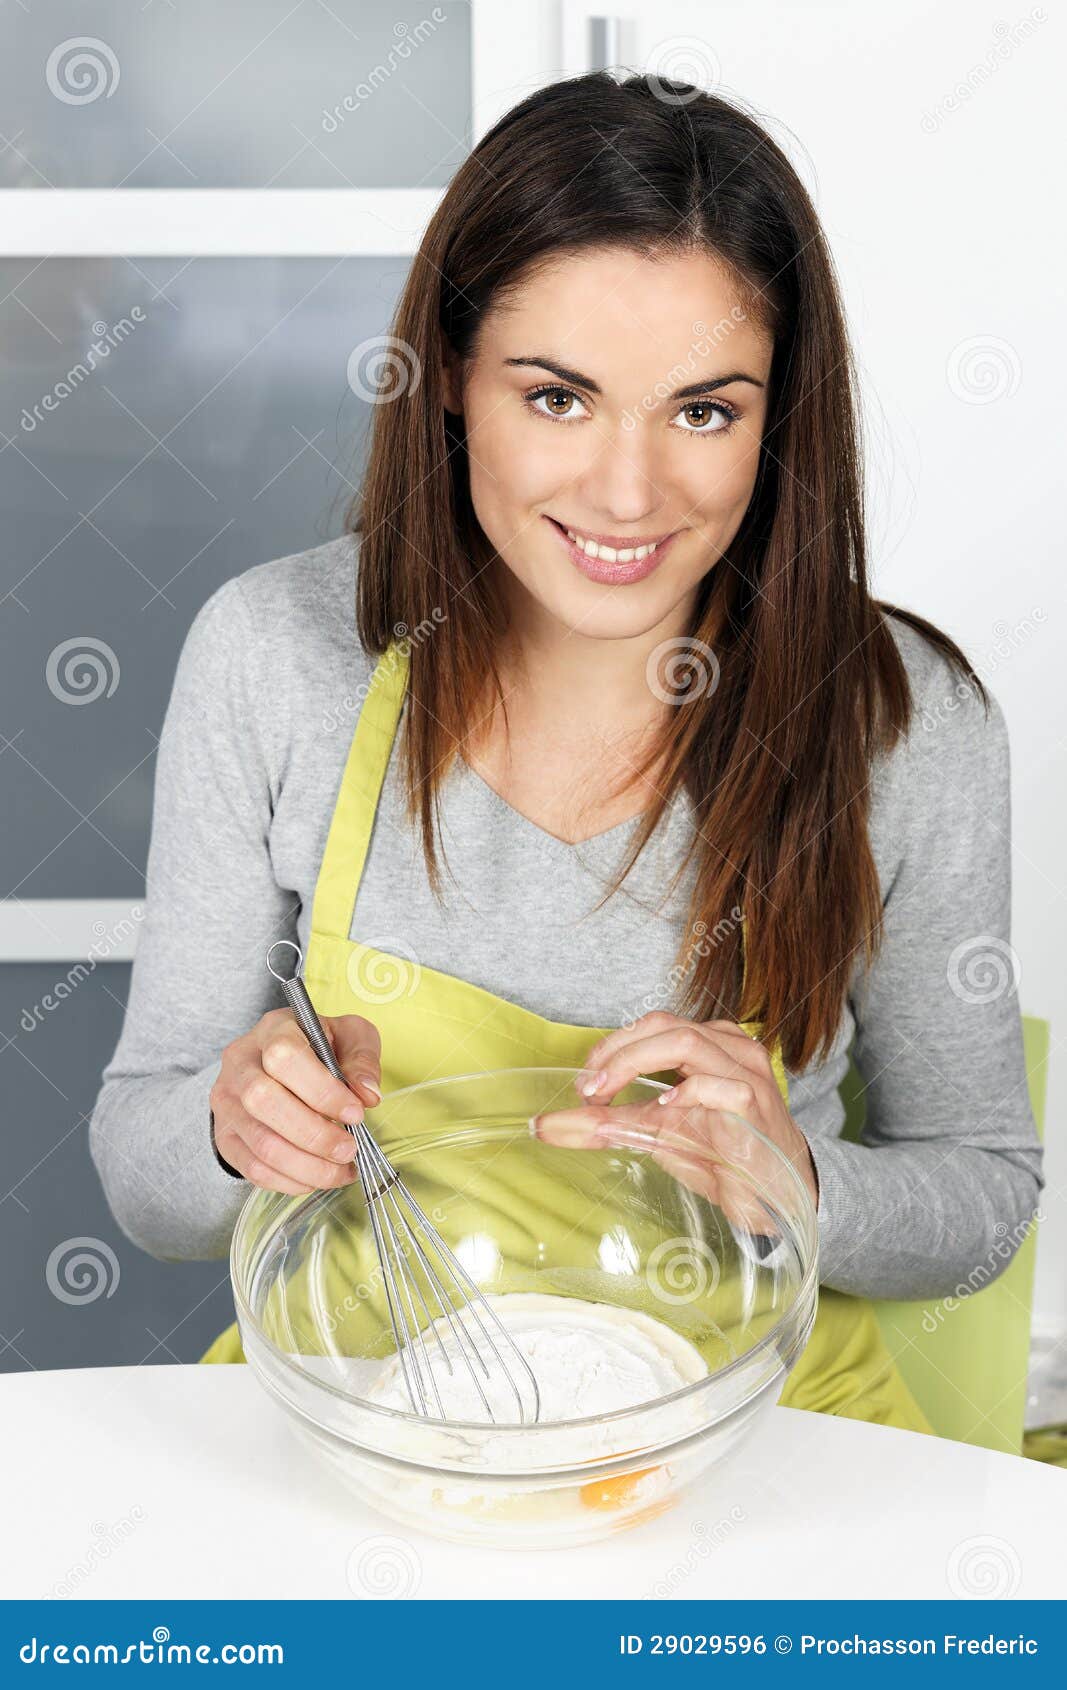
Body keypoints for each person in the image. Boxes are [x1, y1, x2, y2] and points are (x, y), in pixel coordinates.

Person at [90, 72, 1042, 1425]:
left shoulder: (899, 714)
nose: (628, 492)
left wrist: (802, 1179)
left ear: (779, 419)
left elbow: (987, 1200)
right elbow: (147, 1181)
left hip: (760, 1443)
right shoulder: (277, 655)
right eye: (557, 398)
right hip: (367, 1422)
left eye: (704, 411)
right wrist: (229, 1128)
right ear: (450, 381)